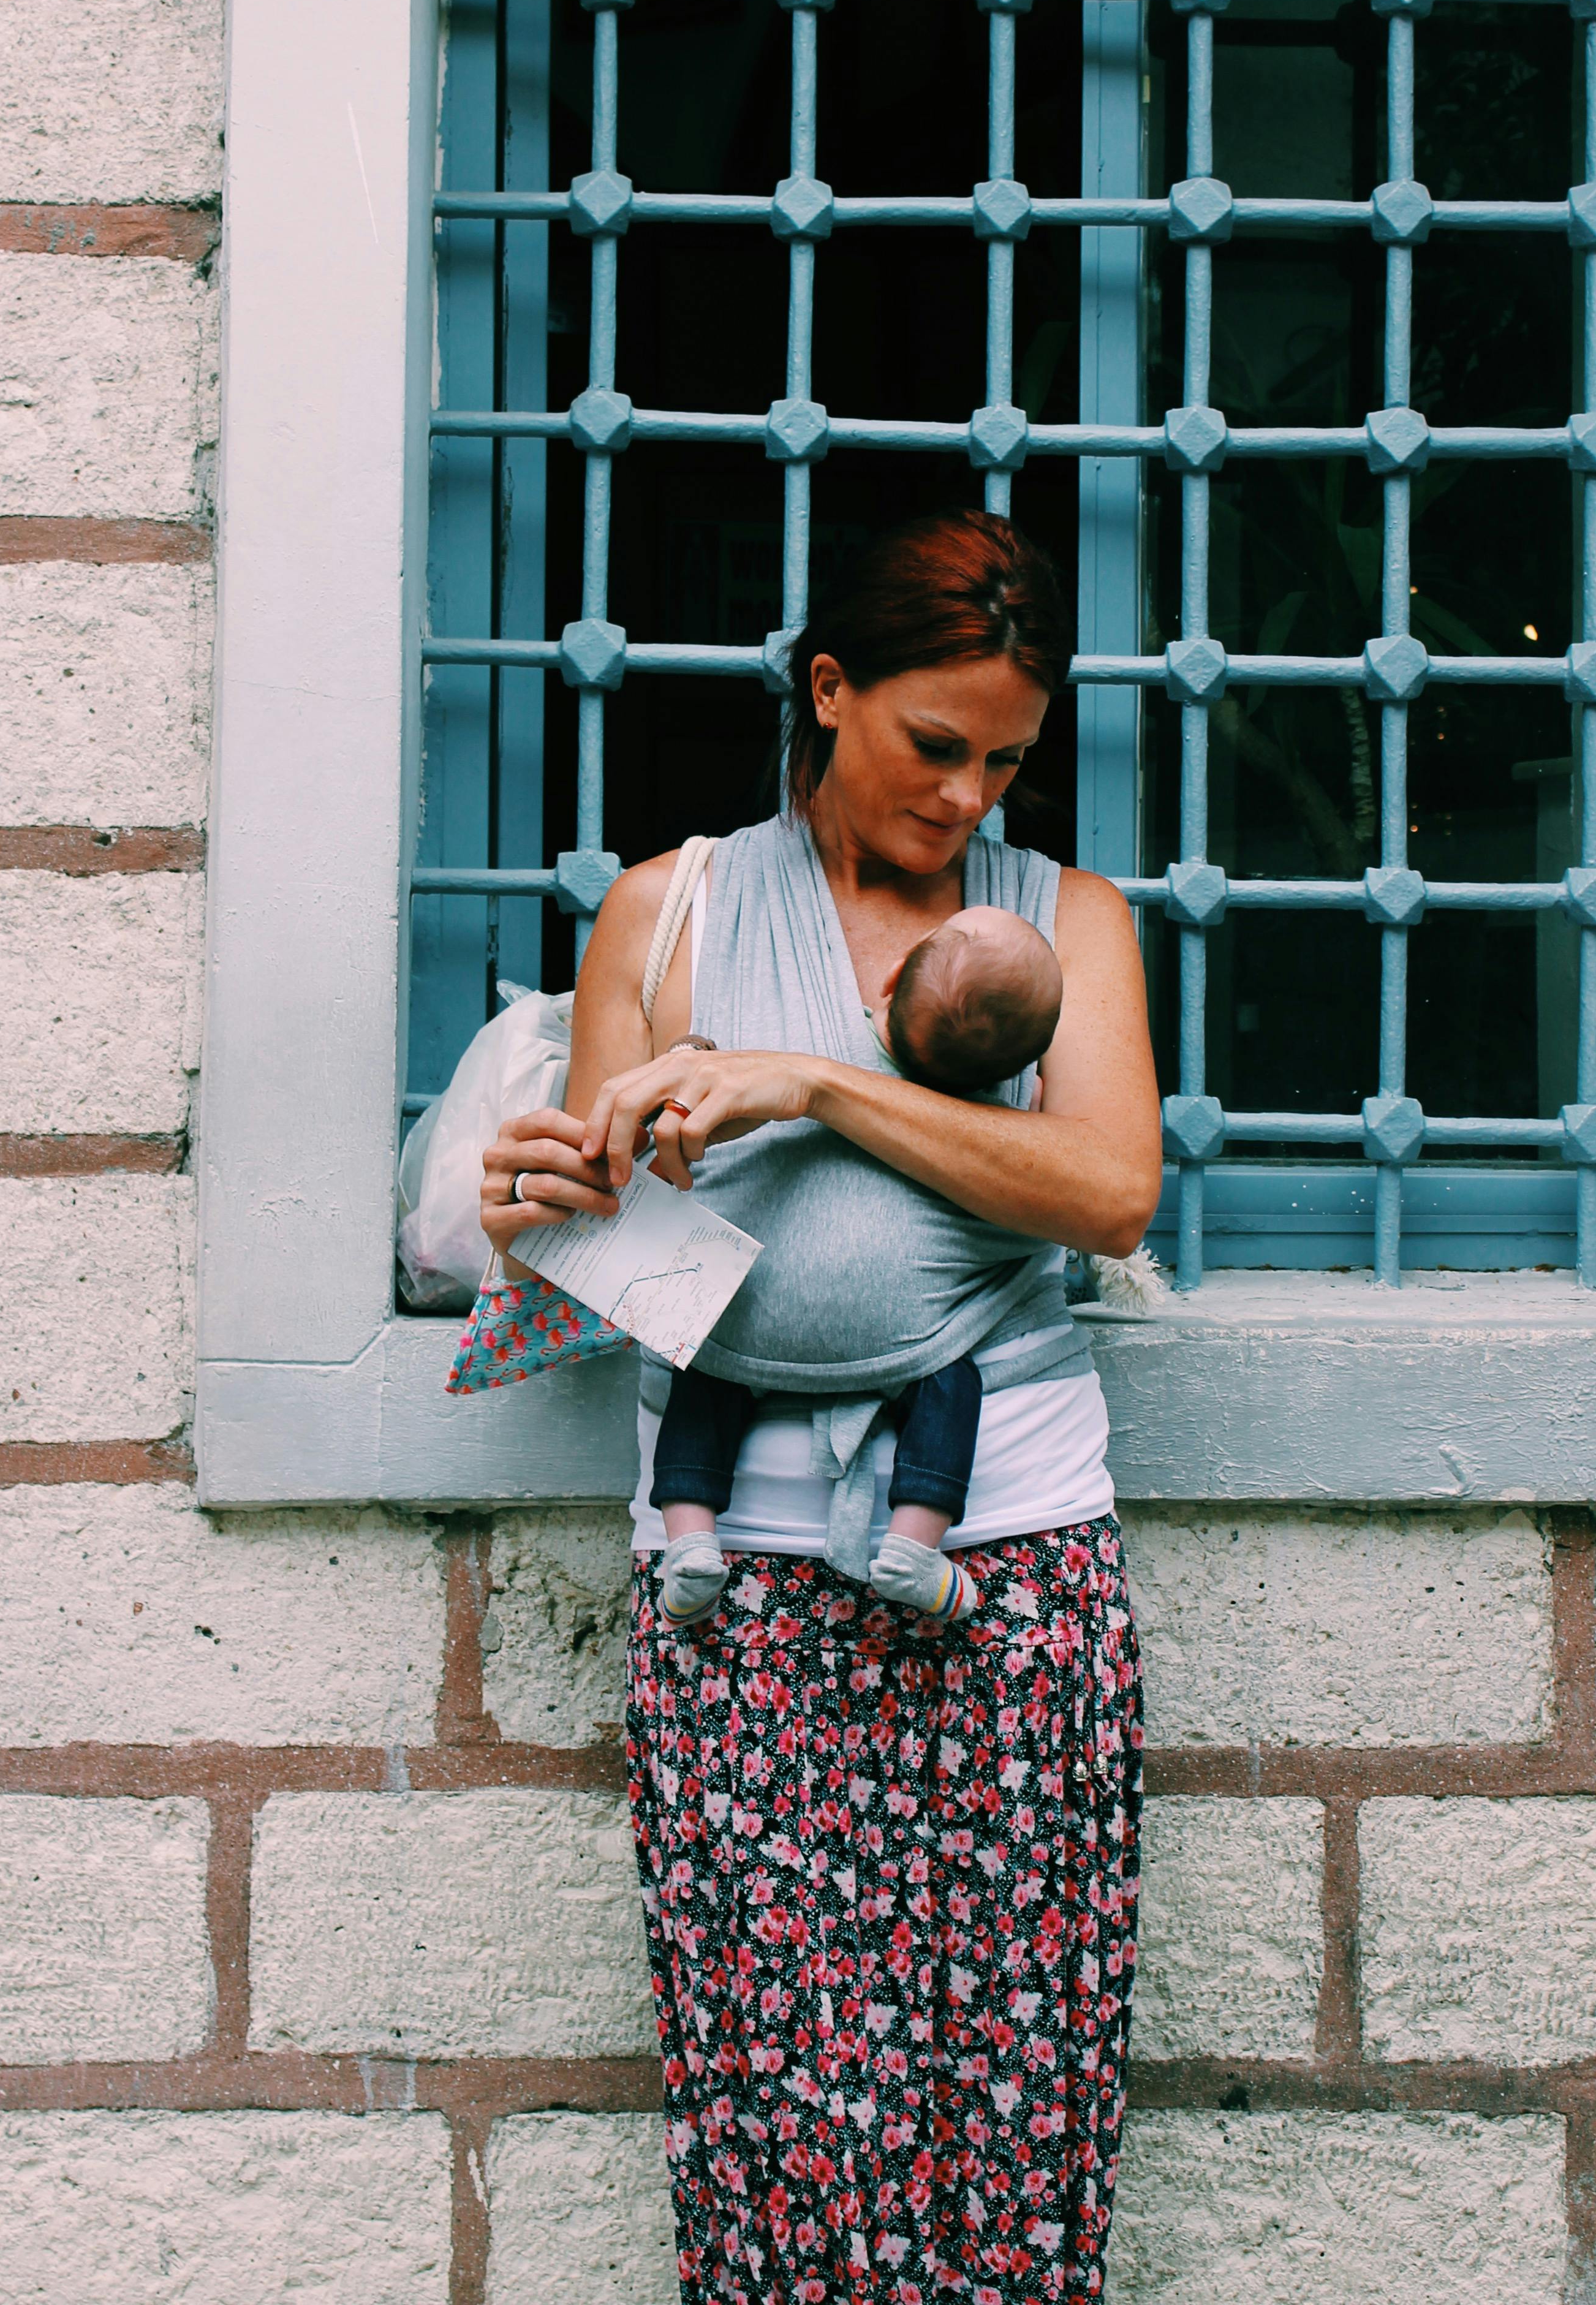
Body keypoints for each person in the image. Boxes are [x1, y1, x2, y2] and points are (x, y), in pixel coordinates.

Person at [482, 509, 1162, 2303]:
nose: (965, 794)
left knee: (1010, 2112)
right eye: (935, 744)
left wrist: (821, 1083)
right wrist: (529, 1205)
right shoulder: (673, 903)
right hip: (742, 1591)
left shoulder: (1060, 919)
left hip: (998, 1575)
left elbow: (1104, 1188)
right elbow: (601, 1253)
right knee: (776, 2114)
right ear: (832, 687)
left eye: (1004, 757)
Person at [652, 905, 1065, 1632]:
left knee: (702, 1376)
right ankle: (914, 1543)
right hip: (916, 1334)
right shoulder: (1008, 1099)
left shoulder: (807, 1048)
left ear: (893, 975)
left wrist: (691, 1047)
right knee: (950, 1385)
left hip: (750, 1319)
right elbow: (1036, 1151)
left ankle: (689, 1540)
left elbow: (705, 1078)